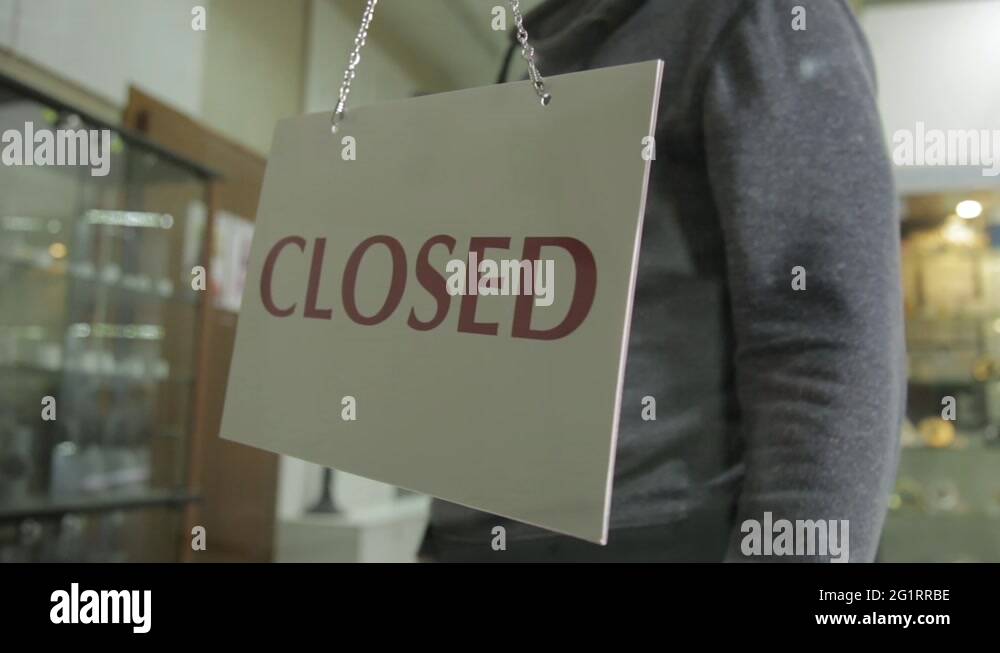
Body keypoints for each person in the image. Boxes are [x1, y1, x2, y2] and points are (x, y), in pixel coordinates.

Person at [420, 0, 904, 562]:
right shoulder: (532, 45)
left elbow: (822, 338)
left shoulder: (757, 15)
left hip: (644, 533)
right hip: (477, 528)